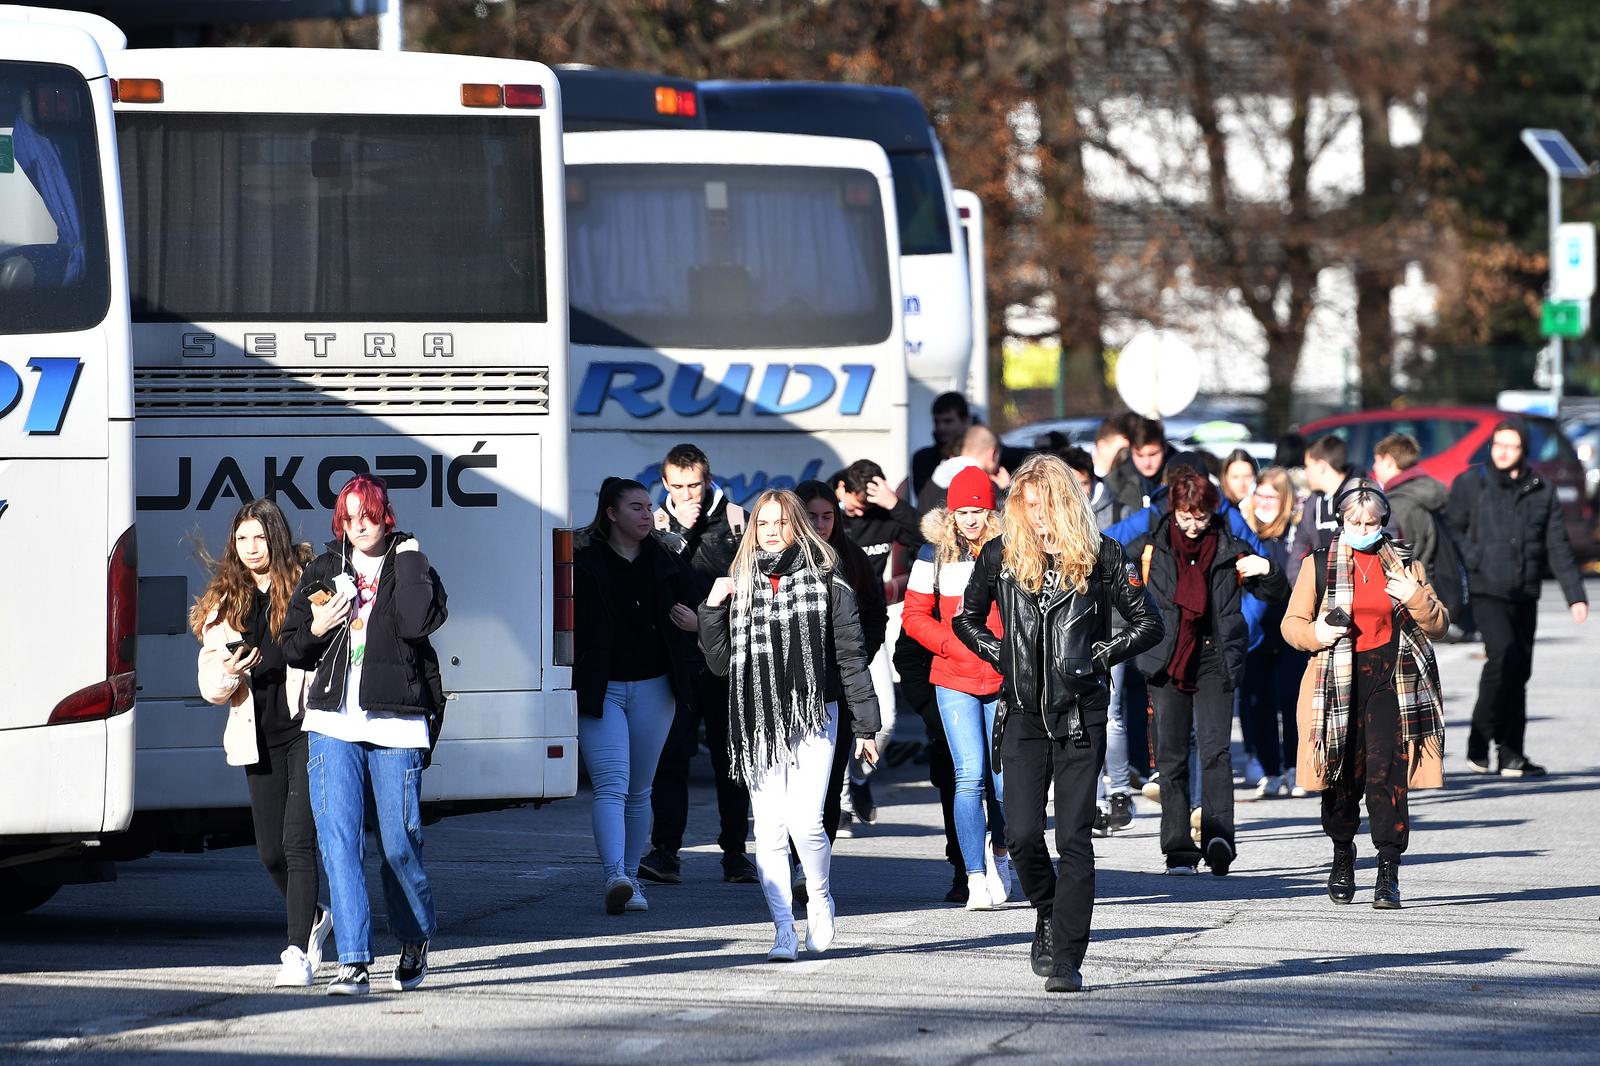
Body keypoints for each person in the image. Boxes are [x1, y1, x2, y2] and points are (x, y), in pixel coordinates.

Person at [954, 454, 1162, 993]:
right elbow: (964, 617)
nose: (1038, 515)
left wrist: (1100, 653)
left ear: (1065, 504)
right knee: (1022, 835)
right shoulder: (1002, 554)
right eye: (1028, 505)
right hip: (1022, 712)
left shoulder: (1102, 556)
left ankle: (1067, 956)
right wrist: (999, 655)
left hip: (1080, 714)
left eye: (1046, 504)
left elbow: (1149, 624)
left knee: (1073, 838)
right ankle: (1048, 911)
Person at [697, 489, 882, 962]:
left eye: (781, 522)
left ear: (796, 526)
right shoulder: (740, 582)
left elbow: (850, 655)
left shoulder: (827, 580)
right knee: (771, 831)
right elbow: (719, 665)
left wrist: (866, 726)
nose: (772, 530)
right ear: (753, 529)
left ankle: (819, 898)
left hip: (816, 713)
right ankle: (783, 929)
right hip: (756, 720)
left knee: (807, 824)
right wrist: (713, 608)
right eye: (763, 523)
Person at [280, 474, 448, 996]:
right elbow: (290, 646)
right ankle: (353, 961)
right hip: (332, 721)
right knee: (338, 844)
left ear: (386, 514)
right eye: (348, 517)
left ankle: (415, 937)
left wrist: (413, 560)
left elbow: (419, 622)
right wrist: (318, 626)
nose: (358, 525)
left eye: (368, 514)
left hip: (397, 719)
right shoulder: (324, 568)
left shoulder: (410, 564)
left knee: (400, 845)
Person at [1281, 481, 1448, 909]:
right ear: (1341, 520)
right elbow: (1291, 625)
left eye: (1369, 521)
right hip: (1335, 683)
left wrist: (1414, 597)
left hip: (1391, 679)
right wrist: (1316, 632)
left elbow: (1439, 624)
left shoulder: (1406, 564)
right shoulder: (1318, 565)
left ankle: (1388, 871)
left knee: (1386, 776)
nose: (1361, 527)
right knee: (1341, 778)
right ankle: (1342, 854)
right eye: (1353, 521)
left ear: (1383, 522)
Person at [191, 499, 332, 988]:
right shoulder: (223, 600)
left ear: (276, 536)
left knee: (297, 841)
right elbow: (209, 684)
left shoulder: (307, 583)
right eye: (242, 539)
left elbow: (332, 646)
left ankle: (297, 953)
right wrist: (230, 670)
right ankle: (313, 915)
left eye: (259, 537)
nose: (251, 548)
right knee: (269, 850)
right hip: (257, 734)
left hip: (306, 727)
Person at [1126, 468, 1288, 876]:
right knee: (1173, 755)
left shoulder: (1230, 543)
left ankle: (1219, 838)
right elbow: (1112, 577)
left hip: (1215, 656)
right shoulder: (1152, 542)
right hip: (1167, 658)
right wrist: (1131, 625)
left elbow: (1274, 590)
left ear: (1211, 511)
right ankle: (1178, 848)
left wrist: (1266, 571)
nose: (1194, 525)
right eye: (1186, 516)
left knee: (1216, 750)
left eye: (1200, 517)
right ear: (1174, 509)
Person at [573, 478, 701, 915]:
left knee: (640, 789)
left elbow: (702, 609)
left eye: (649, 507)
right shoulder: (582, 560)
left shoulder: (667, 559)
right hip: (601, 687)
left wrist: (695, 624)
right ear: (610, 513)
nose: (647, 514)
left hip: (655, 686)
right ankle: (615, 875)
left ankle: (632, 879)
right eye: (636, 507)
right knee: (611, 784)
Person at [638, 445, 757, 887]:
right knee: (672, 758)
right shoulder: (656, 524)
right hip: (676, 662)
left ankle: (735, 853)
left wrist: (707, 623)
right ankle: (666, 851)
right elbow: (653, 585)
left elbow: (754, 588)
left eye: (696, 484)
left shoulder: (738, 520)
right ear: (665, 484)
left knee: (732, 759)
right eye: (679, 486)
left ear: (708, 479)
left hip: (726, 656)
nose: (689, 494)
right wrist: (680, 535)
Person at [1447, 419, 1589, 777]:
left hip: (1524, 590)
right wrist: (1476, 559)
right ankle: (1479, 740)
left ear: (1523, 450)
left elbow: (1556, 544)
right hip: (1487, 589)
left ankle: (1512, 754)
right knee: (1503, 656)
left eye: (1510, 446)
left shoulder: (1541, 488)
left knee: (1520, 669)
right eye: (1498, 445)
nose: (1502, 451)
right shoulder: (1472, 483)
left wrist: (1575, 595)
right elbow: (1453, 528)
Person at [902, 466, 1014, 910]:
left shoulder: (1012, 551)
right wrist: (947, 643)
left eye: (979, 510)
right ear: (951, 513)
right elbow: (913, 616)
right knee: (968, 777)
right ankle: (974, 876)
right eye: (963, 511)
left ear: (992, 511)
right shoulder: (931, 555)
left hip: (1004, 677)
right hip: (952, 677)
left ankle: (1001, 853)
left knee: (1004, 783)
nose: (971, 519)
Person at [794, 481, 888, 891]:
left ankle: (812, 873)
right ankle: (789, 863)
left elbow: (875, 618)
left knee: (828, 786)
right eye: (811, 516)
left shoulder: (850, 559)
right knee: (789, 786)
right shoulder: (776, 558)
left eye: (827, 516)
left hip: (838, 690)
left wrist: (852, 661)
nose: (820, 524)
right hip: (787, 690)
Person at [833, 458, 918, 825]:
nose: (858, 511)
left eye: (865, 505)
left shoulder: (884, 517)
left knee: (885, 720)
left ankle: (857, 778)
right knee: (836, 720)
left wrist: (893, 504)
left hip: (869, 628)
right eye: (853, 503)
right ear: (840, 490)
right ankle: (838, 801)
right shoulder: (828, 516)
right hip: (829, 629)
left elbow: (926, 537)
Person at [1240, 467, 1309, 798]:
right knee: (1259, 703)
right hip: (1256, 632)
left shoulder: (1295, 533)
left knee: (1291, 700)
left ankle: (1295, 766)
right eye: (1261, 495)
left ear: (1285, 501)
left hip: (1290, 629)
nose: (1264, 503)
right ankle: (1270, 769)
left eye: (1272, 497)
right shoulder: (1244, 531)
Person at [1371, 433, 1451, 587]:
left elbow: (1400, 555)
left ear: (1389, 461)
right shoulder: (1432, 489)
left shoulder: (1399, 504)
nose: (1374, 467)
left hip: (1415, 588)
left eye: (1377, 461)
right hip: (1441, 583)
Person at [1287, 435, 1357, 586]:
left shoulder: (1361, 496)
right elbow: (1299, 547)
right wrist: (1302, 589)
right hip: (1320, 595)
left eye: (1307, 466)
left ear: (1321, 465)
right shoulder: (1313, 502)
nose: (1305, 473)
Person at [911, 391, 975, 504]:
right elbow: (925, 502)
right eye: (937, 421)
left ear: (966, 421)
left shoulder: (984, 455)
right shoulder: (923, 459)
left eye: (948, 421)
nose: (941, 428)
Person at [1104, 416, 1170, 515]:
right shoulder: (1116, 481)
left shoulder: (1180, 475)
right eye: (1139, 455)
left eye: (1153, 454)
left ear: (1164, 448)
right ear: (1130, 450)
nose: (1147, 463)